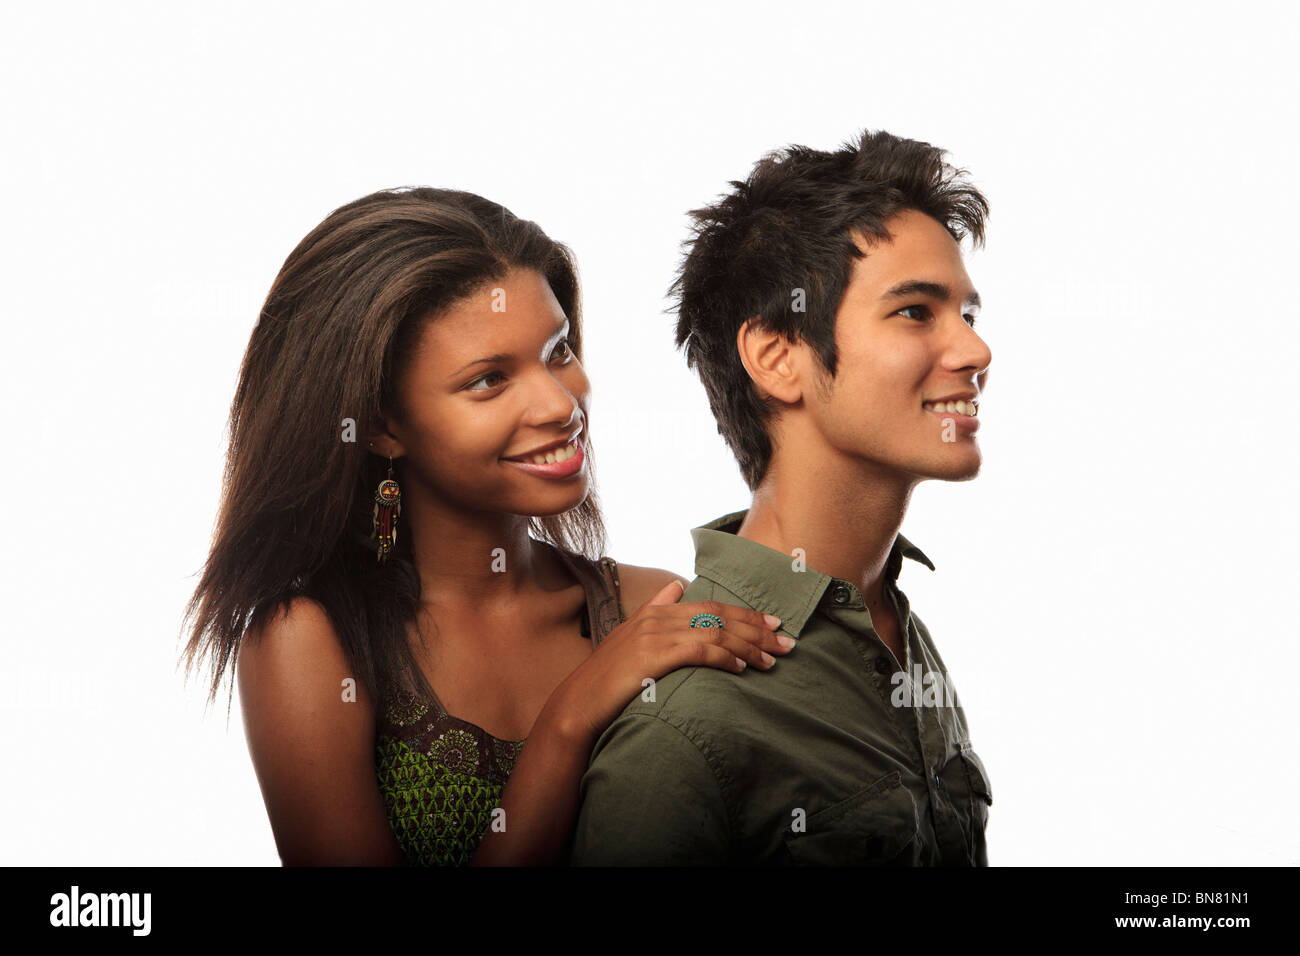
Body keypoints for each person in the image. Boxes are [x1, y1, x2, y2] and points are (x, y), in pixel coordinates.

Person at [179, 187, 791, 866]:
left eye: (558, 351)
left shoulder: (658, 608)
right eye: (489, 381)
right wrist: (571, 717)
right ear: (381, 425)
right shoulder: (311, 642)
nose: (562, 404)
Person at [569, 130, 995, 865]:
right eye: (916, 312)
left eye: (969, 315)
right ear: (775, 357)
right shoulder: (686, 723)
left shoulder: (893, 624)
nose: (975, 352)